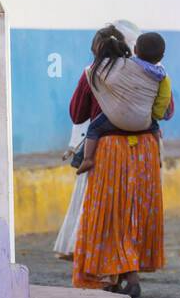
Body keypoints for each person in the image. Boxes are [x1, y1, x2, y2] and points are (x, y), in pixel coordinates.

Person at [70, 27, 169, 298]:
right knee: (137, 211)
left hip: (110, 149)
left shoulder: (94, 72)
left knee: (109, 212)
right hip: (146, 148)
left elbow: (77, 114)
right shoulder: (152, 71)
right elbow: (166, 110)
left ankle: (111, 273)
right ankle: (131, 271)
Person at [55, 22, 129, 259]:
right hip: (133, 146)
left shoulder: (91, 74)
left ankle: (84, 245)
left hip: (100, 147)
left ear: (96, 49)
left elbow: (77, 113)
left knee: (91, 198)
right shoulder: (134, 71)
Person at [77, 31, 173, 173]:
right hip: (144, 124)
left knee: (94, 128)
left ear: (135, 49)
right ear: (162, 56)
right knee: (155, 130)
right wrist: (155, 115)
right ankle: (158, 157)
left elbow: (77, 115)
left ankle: (87, 159)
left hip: (115, 122)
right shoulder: (161, 75)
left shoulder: (120, 67)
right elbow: (164, 100)